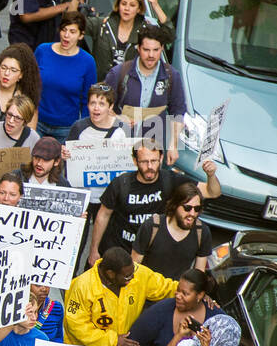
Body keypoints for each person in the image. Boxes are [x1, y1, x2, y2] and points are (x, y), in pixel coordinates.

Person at [91, 142, 220, 260]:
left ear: (161, 158)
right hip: (119, 251)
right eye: (144, 162)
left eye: (154, 161)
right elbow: (103, 215)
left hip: (151, 254)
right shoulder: (121, 183)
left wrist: (211, 175)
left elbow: (212, 192)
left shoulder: (170, 180)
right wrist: (93, 250)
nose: (150, 167)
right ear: (135, 161)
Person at [104, 26, 188, 163]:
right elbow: (102, 108)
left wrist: (173, 145)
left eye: (156, 50)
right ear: (138, 48)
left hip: (153, 148)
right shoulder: (119, 73)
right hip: (120, 145)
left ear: (162, 49)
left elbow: (178, 111)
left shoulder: (171, 75)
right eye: (146, 50)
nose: (151, 55)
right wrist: (118, 118)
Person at [34, 10, 96, 141]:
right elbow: (29, 84)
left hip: (66, 128)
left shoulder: (88, 61)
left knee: (62, 162)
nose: (66, 35)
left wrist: (82, 129)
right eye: (64, 30)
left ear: (81, 35)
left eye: (72, 32)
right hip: (37, 121)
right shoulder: (42, 51)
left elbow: (87, 99)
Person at [132, 182, 213, 281]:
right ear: (175, 205)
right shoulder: (151, 227)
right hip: (147, 291)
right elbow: (134, 266)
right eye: (187, 208)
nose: (192, 213)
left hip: (178, 294)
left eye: (197, 208)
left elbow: (199, 274)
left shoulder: (202, 232)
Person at [86, 0, 172, 80]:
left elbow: (169, 35)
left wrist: (155, 5)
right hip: (101, 87)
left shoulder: (144, 30)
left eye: (132, 5)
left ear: (139, 9)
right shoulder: (103, 24)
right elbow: (75, 24)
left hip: (129, 88)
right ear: (118, 6)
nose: (127, 8)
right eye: (124, 4)